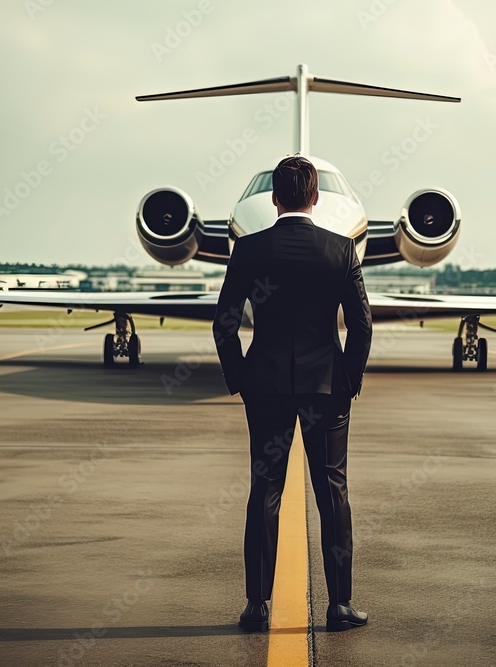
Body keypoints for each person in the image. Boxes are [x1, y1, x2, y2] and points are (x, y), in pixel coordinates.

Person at [212, 155, 372, 632]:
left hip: (266, 387)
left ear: (276, 198)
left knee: (265, 492)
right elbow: (362, 325)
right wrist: (349, 378)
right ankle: (339, 606)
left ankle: (257, 606)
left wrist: (239, 375)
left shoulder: (250, 251)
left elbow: (224, 322)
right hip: (327, 390)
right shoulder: (341, 250)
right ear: (316, 198)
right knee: (333, 493)